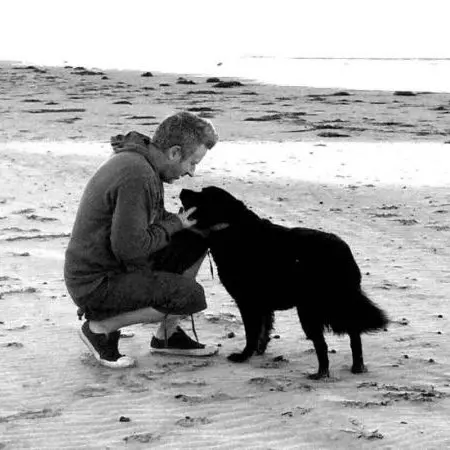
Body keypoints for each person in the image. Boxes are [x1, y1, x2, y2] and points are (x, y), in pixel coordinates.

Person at [64, 111, 219, 368]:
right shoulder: (138, 175)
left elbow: (146, 223)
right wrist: (174, 224)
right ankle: (100, 328)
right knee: (189, 297)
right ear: (174, 153)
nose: (192, 172)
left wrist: (182, 224)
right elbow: (130, 247)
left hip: (111, 267)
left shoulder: (141, 161)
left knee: (195, 239)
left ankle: (166, 337)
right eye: (192, 162)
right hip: (96, 283)